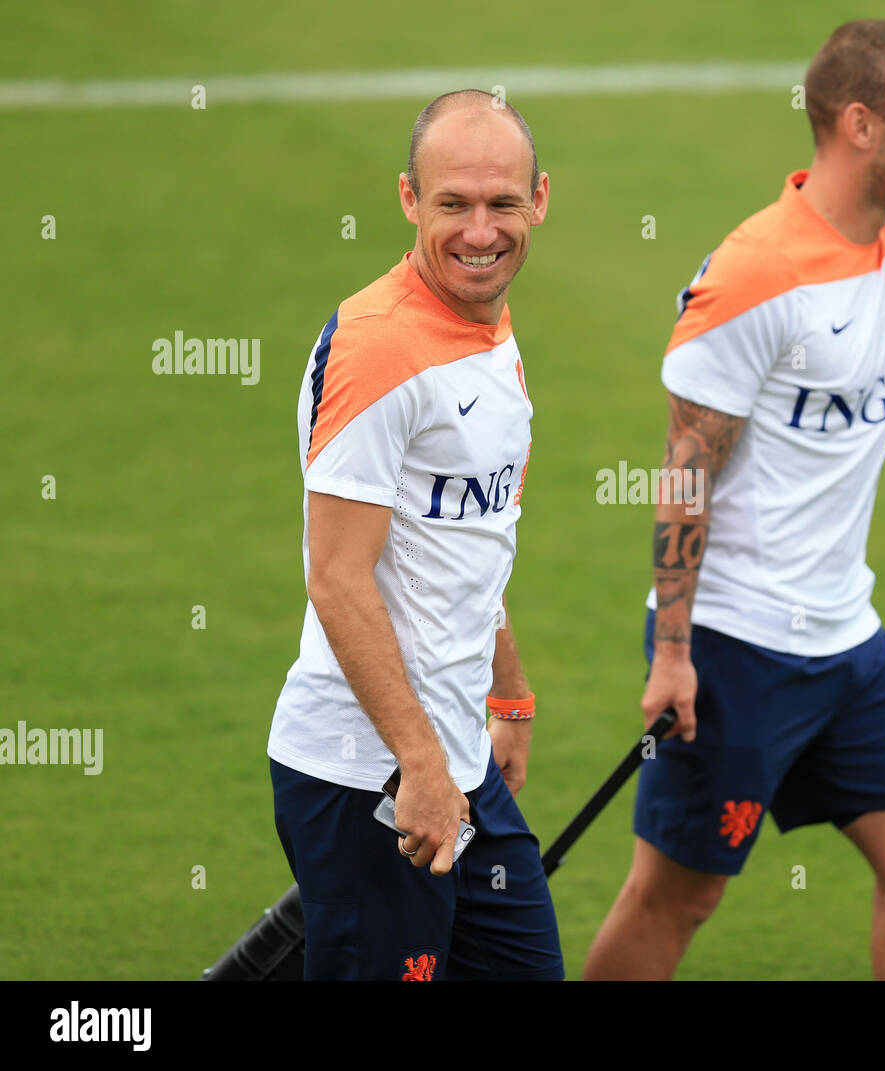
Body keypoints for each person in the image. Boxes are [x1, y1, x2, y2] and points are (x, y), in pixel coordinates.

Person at [584, 20, 885, 981]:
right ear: (862, 125)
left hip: (847, 642)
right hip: (736, 649)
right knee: (678, 895)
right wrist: (672, 653)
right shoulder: (754, 276)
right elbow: (684, 471)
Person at [267, 89, 563, 980]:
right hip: (374, 776)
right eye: (454, 204)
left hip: (453, 761)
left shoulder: (484, 326)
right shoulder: (381, 347)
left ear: (539, 199)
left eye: (503, 203)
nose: (482, 230)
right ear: (408, 200)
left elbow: (471, 535)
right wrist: (421, 764)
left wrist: (505, 693)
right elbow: (338, 578)